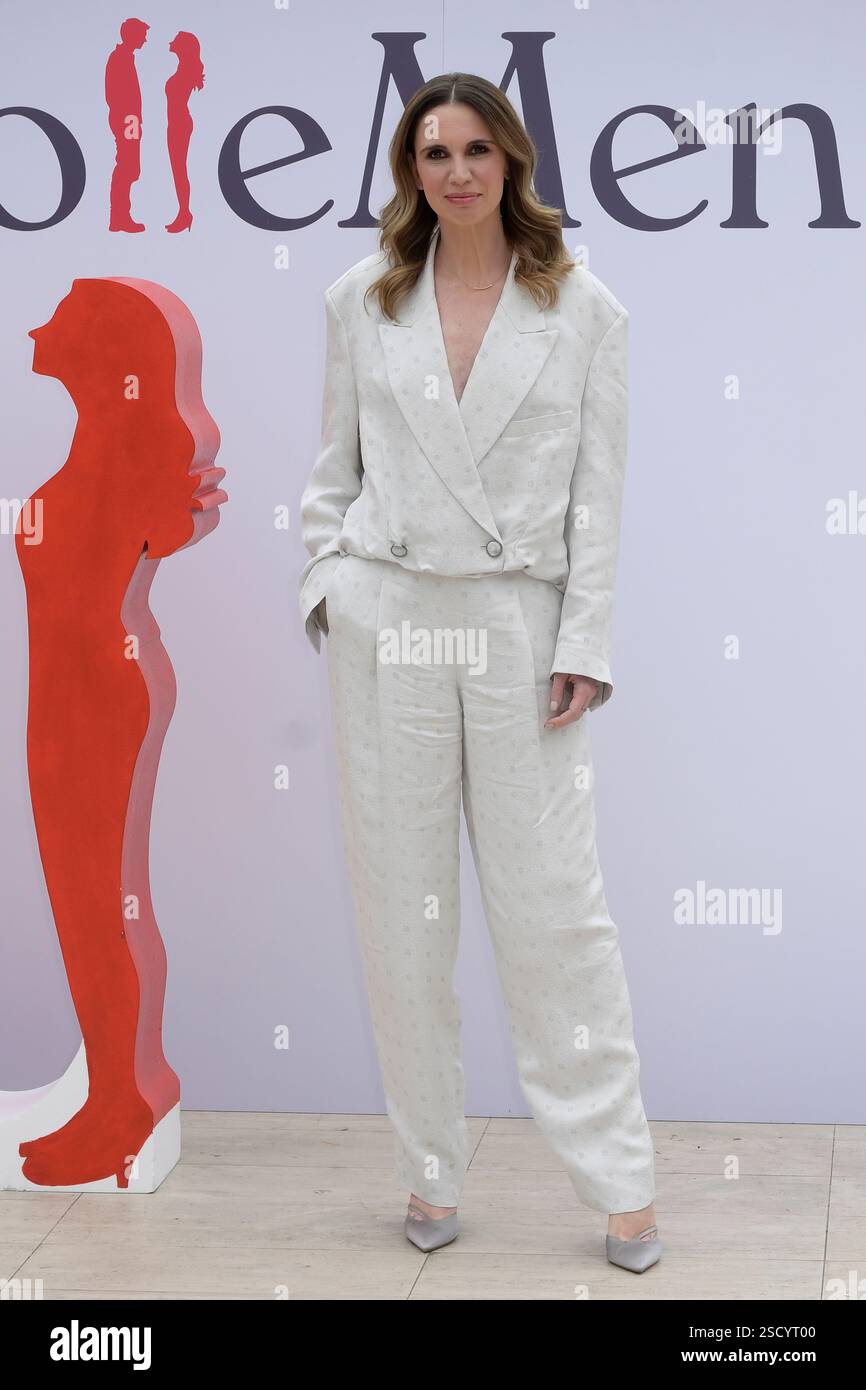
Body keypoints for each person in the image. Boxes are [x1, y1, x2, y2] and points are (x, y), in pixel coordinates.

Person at [298, 72, 662, 1274]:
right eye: (430, 151)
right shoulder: (363, 297)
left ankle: (620, 1180)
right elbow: (330, 472)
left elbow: (597, 499)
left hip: (517, 631)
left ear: (510, 160)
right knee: (403, 913)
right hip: (388, 623)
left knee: (554, 913)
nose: (453, 170)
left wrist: (584, 645)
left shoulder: (585, 309)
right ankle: (428, 1167)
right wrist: (328, 592)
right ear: (409, 170)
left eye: (473, 149)